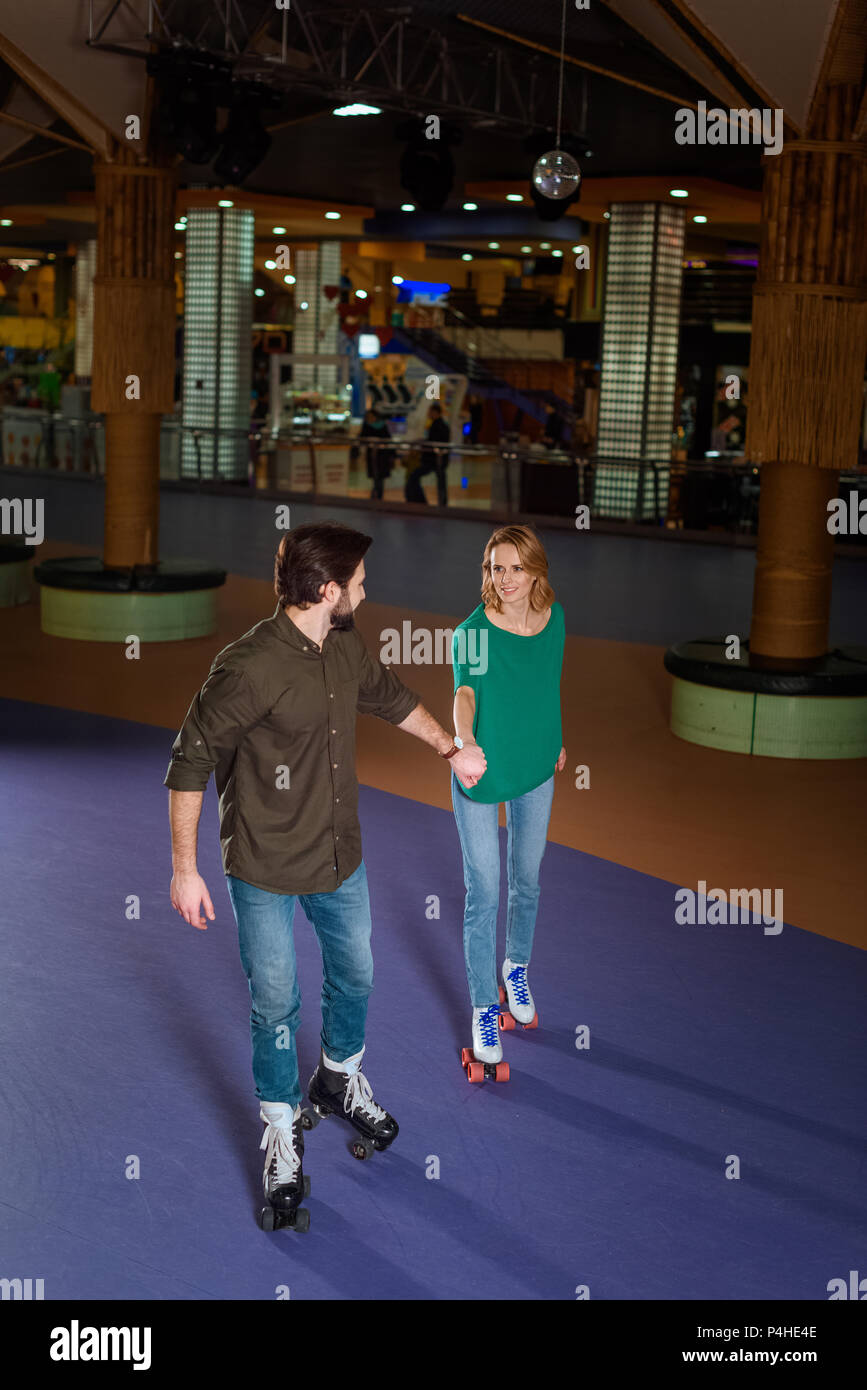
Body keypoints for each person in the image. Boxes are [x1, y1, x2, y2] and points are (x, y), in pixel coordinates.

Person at [165, 522, 485, 1228]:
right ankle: (281, 1125)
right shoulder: (247, 668)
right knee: (275, 1004)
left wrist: (450, 748)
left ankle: (338, 1078)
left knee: (357, 974)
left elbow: (389, 693)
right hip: (265, 863)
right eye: (361, 581)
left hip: (339, 856)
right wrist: (185, 870)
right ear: (328, 590)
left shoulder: (342, 644)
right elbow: (189, 762)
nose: (368, 590)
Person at [450, 525, 566, 1067]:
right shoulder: (472, 632)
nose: (507, 578)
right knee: (485, 893)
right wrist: (464, 741)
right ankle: (480, 1006)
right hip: (482, 773)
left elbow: (547, 684)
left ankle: (514, 968)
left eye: (517, 567)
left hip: (536, 769)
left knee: (528, 880)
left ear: (536, 570)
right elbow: (465, 694)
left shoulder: (554, 619)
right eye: (498, 567)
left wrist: (556, 741)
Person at [404, 402, 450, 506]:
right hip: (436, 460)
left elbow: (435, 442)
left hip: (435, 460)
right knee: (440, 482)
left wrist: (422, 445)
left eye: (430, 411)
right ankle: (439, 503)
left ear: (435, 412)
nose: (428, 414)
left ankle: (422, 501)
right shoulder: (437, 425)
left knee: (415, 477)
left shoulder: (439, 426)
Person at [359, 407, 394, 500]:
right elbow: (361, 438)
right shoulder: (366, 425)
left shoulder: (382, 426)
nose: (370, 418)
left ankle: (377, 497)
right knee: (376, 477)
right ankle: (376, 496)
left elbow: (388, 441)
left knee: (379, 478)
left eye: (371, 416)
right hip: (372, 455)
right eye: (368, 416)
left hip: (382, 456)